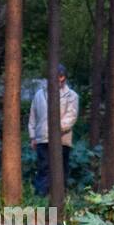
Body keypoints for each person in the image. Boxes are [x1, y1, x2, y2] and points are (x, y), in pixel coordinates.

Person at [28, 64, 79, 195]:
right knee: (43, 168)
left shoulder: (72, 96)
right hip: (42, 138)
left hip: (62, 140)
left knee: (60, 170)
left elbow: (71, 117)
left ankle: (60, 197)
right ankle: (40, 197)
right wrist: (32, 136)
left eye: (59, 76)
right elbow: (33, 116)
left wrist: (57, 129)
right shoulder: (39, 94)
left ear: (63, 77)